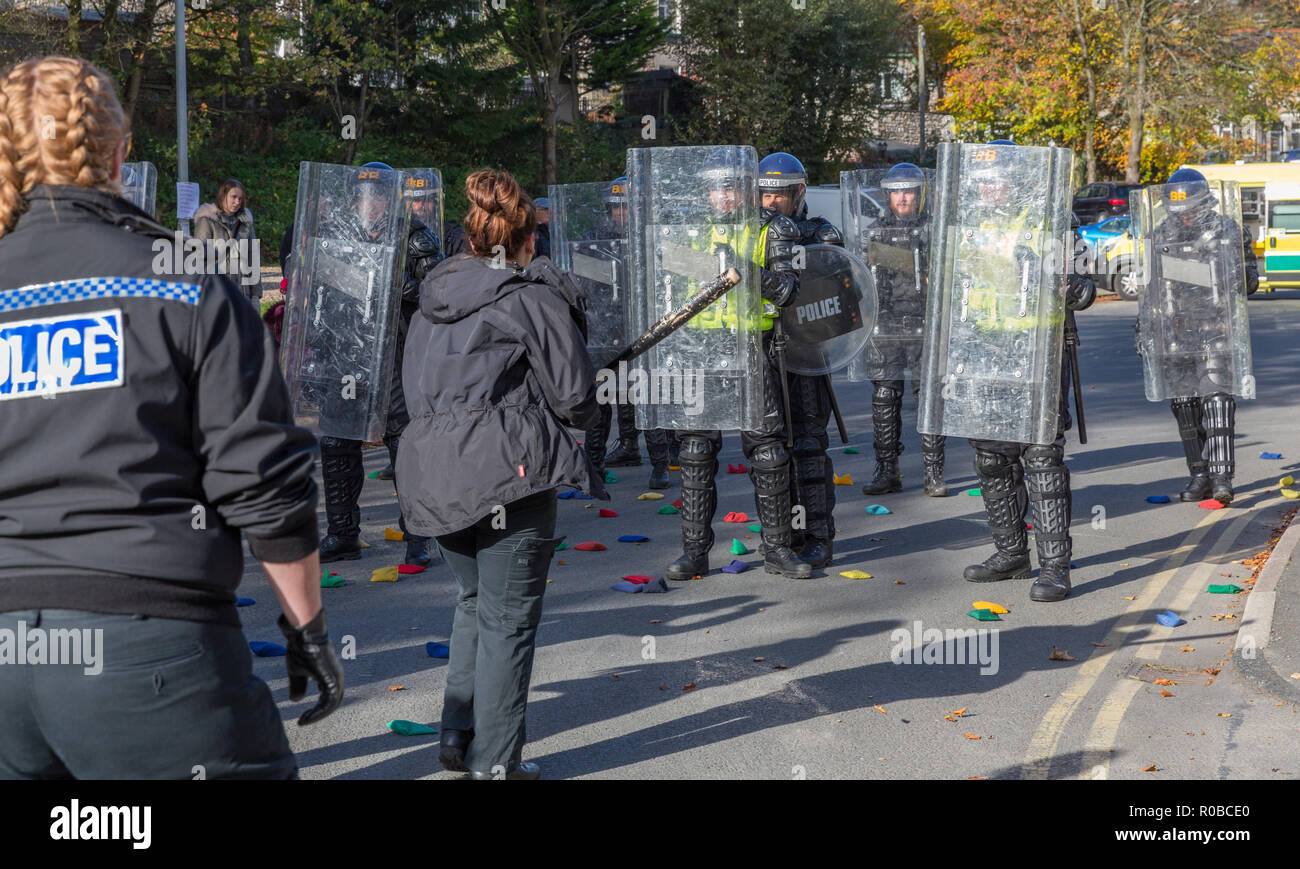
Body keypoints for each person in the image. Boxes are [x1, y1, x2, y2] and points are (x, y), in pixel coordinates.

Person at [0, 56, 341, 779]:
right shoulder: (183, 280)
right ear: (120, 151)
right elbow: (267, 481)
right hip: (149, 647)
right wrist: (306, 624)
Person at [398, 168, 605, 780]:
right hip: (505, 476)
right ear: (527, 239)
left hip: (432, 473)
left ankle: (457, 737)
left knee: (472, 604)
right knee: (508, 622)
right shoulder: (527, 296)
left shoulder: (435, 293)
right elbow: (575, 401)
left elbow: (430, 388)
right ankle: (495, 762)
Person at [956, 141, 1096, 603]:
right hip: (985, 350)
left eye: (997, 180)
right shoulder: (969, 227)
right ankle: (1011, 552)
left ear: (1015, 183)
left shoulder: (1053, 222)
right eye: (983, 182)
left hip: (1037, 351)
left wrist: (1068, 283)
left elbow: (1086, 287)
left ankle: (1055, 567)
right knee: (992, 457)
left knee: (1040, 457)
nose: (990, 188)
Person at [667, 149, 813, 581]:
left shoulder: (776, 229)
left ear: (747, 189)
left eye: (731, 187)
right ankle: (694, 552)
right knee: (694, 452)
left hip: (754, 349)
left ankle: (778, 550)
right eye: (716, 188)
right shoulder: (690, 231)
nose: (723, 196)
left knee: (768, 452)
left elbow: (789, 290)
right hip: (701, 351)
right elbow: (670, 285)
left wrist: (742, 270)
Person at [315, 162, 442, 568]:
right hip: (346, 356)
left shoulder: (414, 237)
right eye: (364, 197)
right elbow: (319, 296)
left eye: (379, 196)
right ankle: (342, 534)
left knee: (402, 445)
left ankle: (419, 535)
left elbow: (439, 294)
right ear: (354, 199)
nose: (371, 204)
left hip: (395, 356)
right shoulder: (337, 237)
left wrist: (398, 287)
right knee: (336, 443)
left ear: (390, 199)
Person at [1144, 168, 1258, 505]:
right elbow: (1149, 290)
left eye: (1191, 209)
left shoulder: (1227, 230)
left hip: (1216, 328)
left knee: (1218, 403)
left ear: (1204, 202)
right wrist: (1146, 332)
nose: (1187, 217)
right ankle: (1199, 475)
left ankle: (1222, 479)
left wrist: (1228, 271)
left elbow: (1249, 282)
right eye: (1180, 211)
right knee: (1184, 407)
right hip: (1176, 333)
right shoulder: (1159, 234)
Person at [756, 151, 844, 568]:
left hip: (807, 352)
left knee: (809, 446)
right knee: (774, 449)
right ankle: (782, 536)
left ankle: (818, 537)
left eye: (779, 196)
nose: (770, 204)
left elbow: (836, 293)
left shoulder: (821, 233)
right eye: (764, 195)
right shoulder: (753, 231)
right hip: (764, 351)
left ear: (799, 193)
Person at [859, 163, 948, 498]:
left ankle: (934, 472)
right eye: (897, 191)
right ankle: (887, 470)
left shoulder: (933, 229)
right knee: (884, 398)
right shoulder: (873, 231)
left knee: (928, 398)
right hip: (886, 324)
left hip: (926, 323)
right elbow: (861, 281)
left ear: (920, 194)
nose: (903, 197)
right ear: (887, 195)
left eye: (909, 190)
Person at [580, 177, 672, 489]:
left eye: (626, 208)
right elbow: (583, 284)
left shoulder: (650, 238)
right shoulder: (594, 239)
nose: (621, 214)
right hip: (604, 328)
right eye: (616, 208)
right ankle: (593, 467)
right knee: (600, 403)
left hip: (641, 329)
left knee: (645, 398)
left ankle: (660, 465)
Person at [193, 178, 259, 301]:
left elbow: (253, 257)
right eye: (233, 197)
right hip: (216, 292)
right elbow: (199, 259)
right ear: (223, 196)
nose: (237, 202)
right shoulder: (207, 221)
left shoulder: (246, 222)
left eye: (240, 199)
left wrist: (255, 294)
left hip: (242, 292)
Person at [532, 195, 551, 260]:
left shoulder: (546, 229)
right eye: (545, 209)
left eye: (550, 209)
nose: (549, 212)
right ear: (535, 211)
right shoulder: (530, 231)